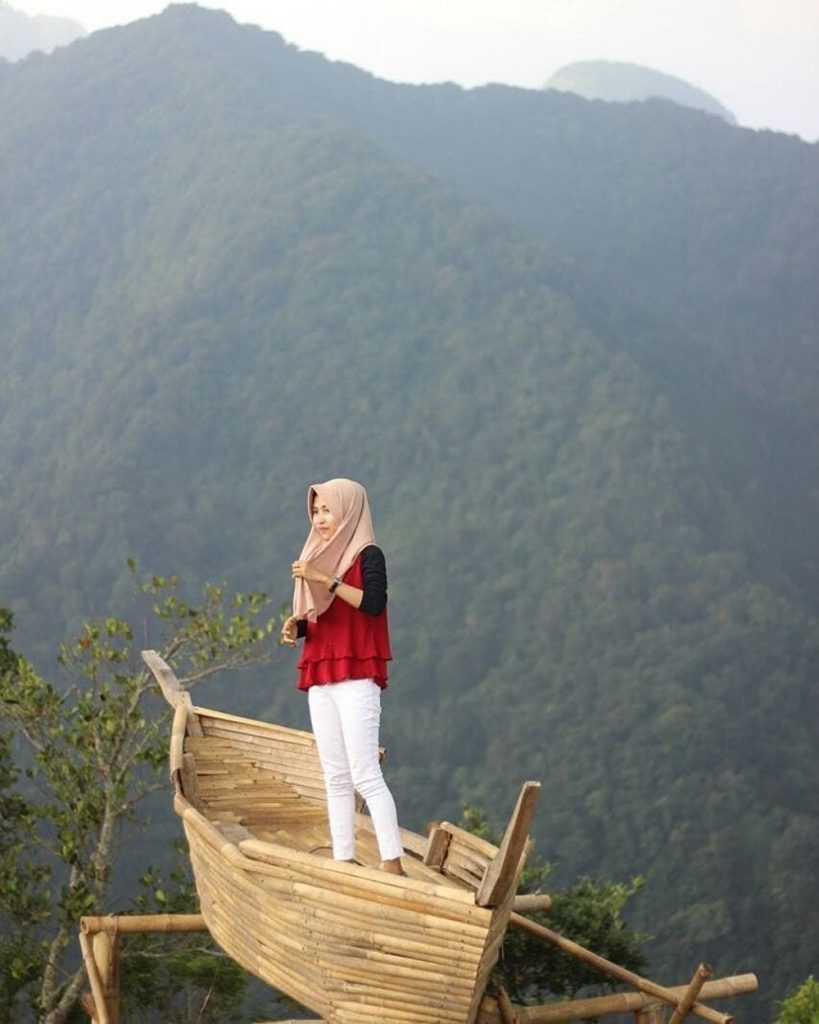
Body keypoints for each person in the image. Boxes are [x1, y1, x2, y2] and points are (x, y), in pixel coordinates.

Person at [280, 478, 405, 875]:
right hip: (322, 672)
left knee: (365, 773)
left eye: (327, 510)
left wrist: (324, 579)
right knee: (335, 775)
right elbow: (322, 618)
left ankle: (392, 862)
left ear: (348, 510)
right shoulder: (317, 554)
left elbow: (372, 604)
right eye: (315, 511)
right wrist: (296, 628)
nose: (319, 518)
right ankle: (344, 861)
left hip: (356, 674)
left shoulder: (368, 554)